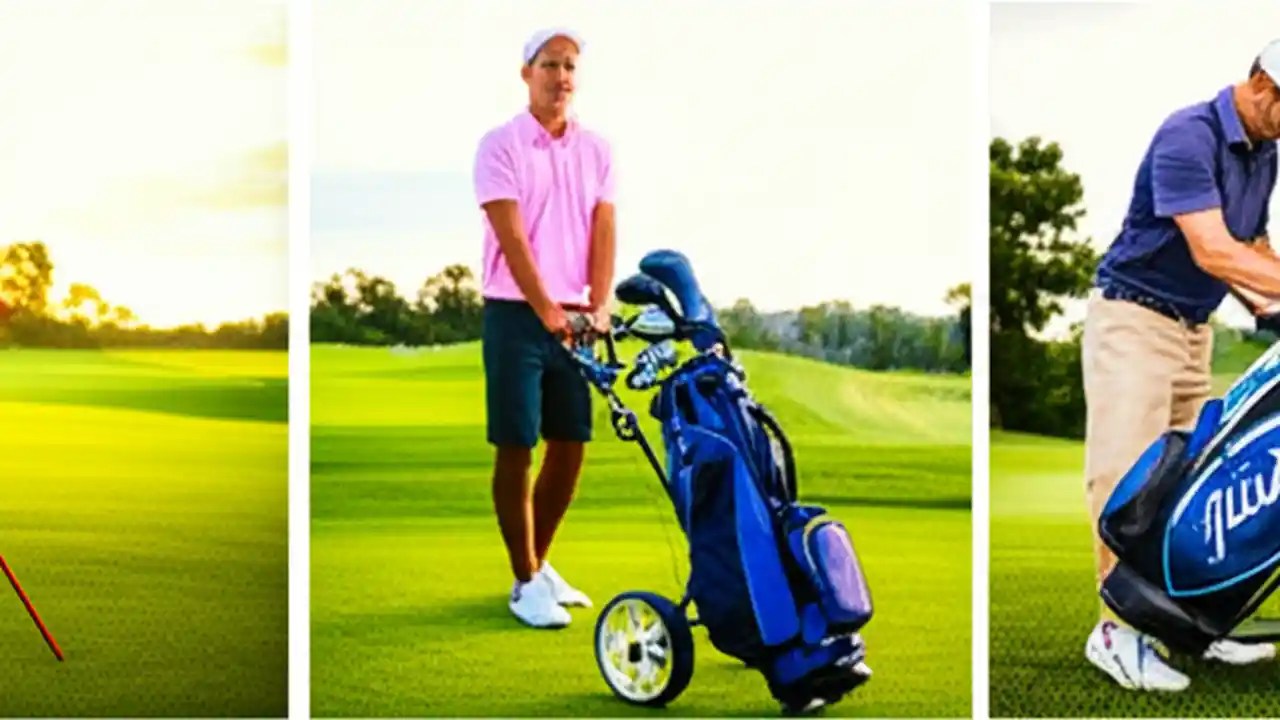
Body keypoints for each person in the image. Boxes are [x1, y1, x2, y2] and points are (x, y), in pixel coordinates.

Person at [1082, 39, 1280, 690]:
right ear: (1263, 86)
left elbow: (1252, 244)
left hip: (1193, 331)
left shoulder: (1265, 153)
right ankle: (1116, 635)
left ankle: (1188, 627)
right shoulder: (1187, 135)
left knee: (1195, 486)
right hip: (1133, 320)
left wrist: (1267, 305)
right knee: (1126, 478)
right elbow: (1215, 250)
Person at [471, 27, 617, 629]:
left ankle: (539, 561)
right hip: (514, 314)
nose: (562, 77)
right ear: (526, 72)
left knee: (571, 445)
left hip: (575, 319)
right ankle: (526, 581)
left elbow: (603, 227)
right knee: (516, 446)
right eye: (551, 65)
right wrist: (548, 314)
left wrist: (599, 304)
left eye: (570, 67)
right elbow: (514, 238)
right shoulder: (500, 145)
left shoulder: (597, 149)